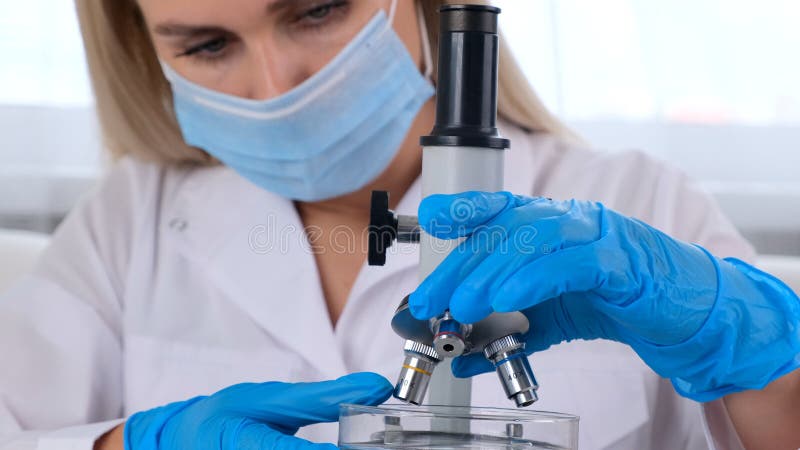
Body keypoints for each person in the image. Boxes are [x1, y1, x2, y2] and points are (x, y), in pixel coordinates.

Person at [0, 0, 798, 449]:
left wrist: (759, 355)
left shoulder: (638, 202)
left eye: (316, 10)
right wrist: (128, 448)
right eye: (208, 46)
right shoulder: (128, 220)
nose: (279, 87)